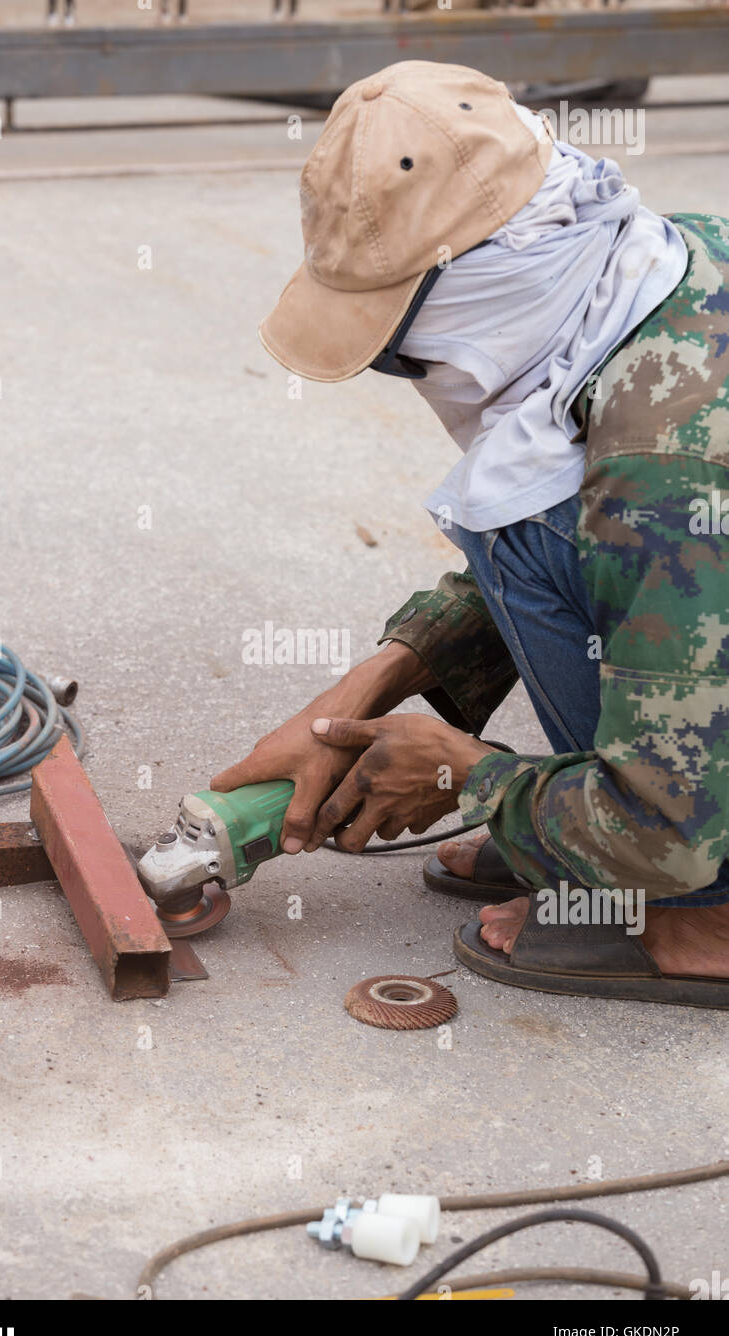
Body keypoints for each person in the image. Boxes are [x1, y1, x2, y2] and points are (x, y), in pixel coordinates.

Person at [212, 62, 729, 1007]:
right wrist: (372, 683)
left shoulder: (672, 461)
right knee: (522, 514)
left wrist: (472, 779)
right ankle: (593, 824)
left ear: (486, 282)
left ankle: (708, 916)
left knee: (527, 521)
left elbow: (644, 537)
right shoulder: (644, 270)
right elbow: (597, 552)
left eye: (401, 344)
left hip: (687, 829)